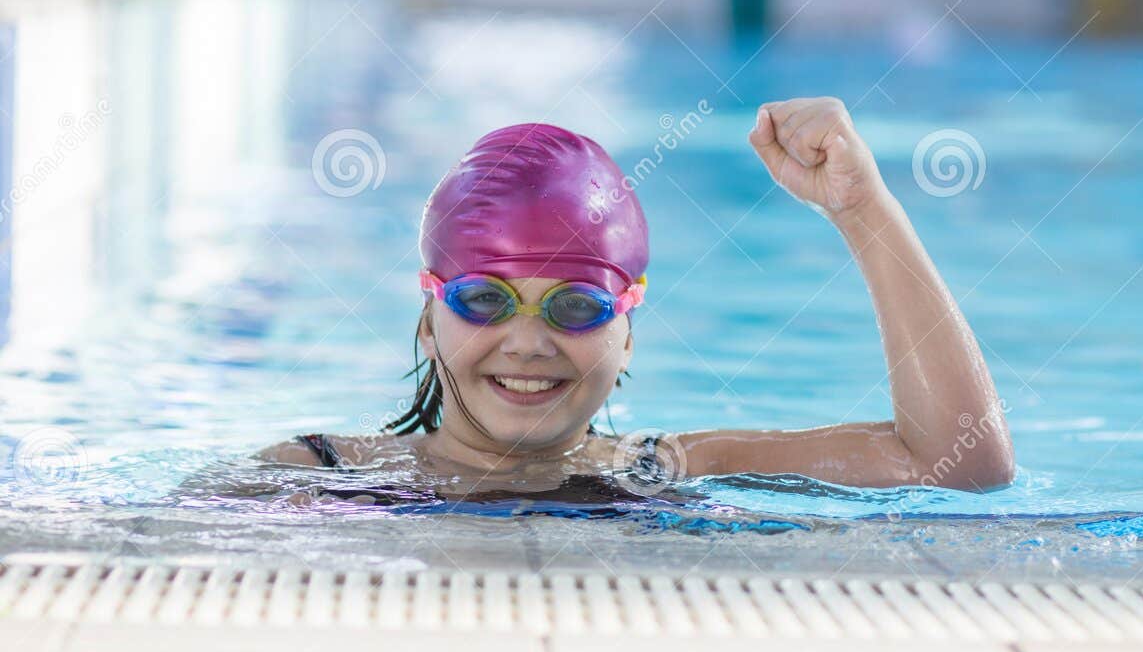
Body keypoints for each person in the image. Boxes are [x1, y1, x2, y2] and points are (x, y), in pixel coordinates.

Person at [260, 101, 1014, 498]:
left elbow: (959, 464)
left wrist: (863, 208)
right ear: (429, 321)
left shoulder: (670, 468)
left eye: (577, 305)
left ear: (629, 336)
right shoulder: (315, 474)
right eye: (485, 299)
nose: (526, 342)